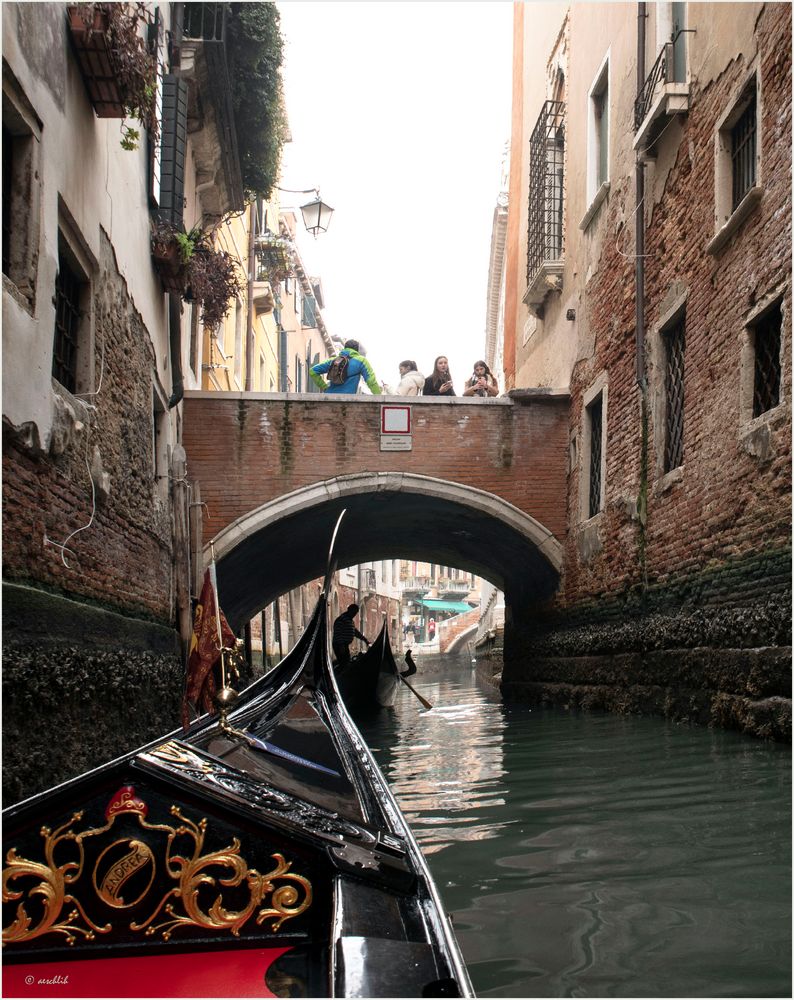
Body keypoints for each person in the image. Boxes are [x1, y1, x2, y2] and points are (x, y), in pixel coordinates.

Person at [310, 339, 382, 395]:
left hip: (330, 397)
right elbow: (371, 381)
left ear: (345, 348)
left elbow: (313, 371)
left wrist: (325, 388)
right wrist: (379, 396)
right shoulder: (361, 361)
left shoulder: (334, 360)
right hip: (347, 400)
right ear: (357, 350)